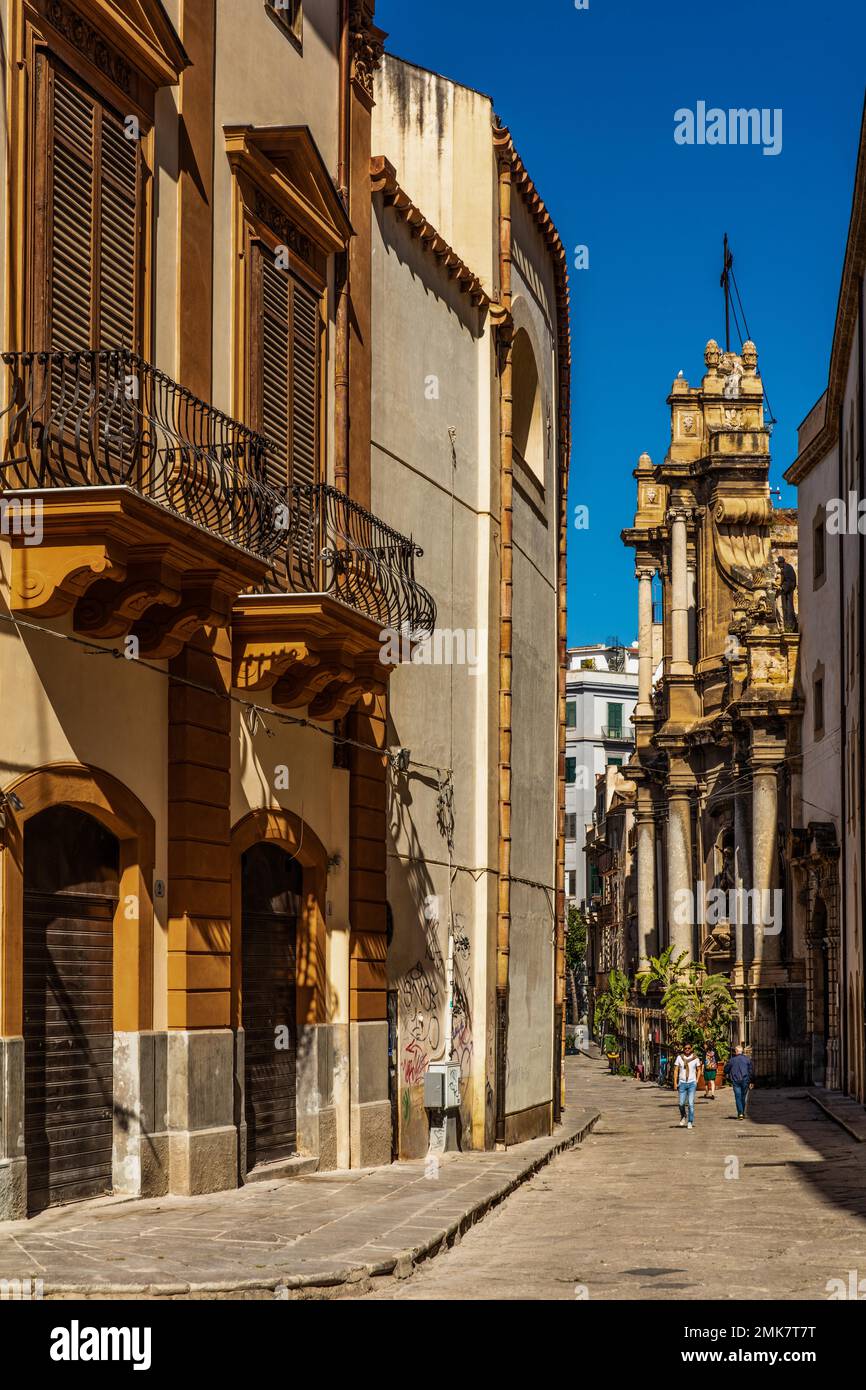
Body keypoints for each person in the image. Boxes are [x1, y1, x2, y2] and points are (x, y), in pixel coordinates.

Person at [673, 1042, 702, 1129]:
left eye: (689, 1048)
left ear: (691, 1048)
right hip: (682, 1083)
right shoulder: (679, 1058)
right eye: (685, 1048)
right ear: (683, 1049)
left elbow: (699, 1069)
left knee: (690, 1104)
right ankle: (683, 1116)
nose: (687, 1050)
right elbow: (676, 1070)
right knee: (681, 1104)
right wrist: (675, 1082)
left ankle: (690, 1121)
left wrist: (696, 1080)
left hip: (692, 1083)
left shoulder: (695, 1058)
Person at [724, 1043, 755, 1118]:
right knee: (743, 1097)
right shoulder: (747, 1060)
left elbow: (726, 1070)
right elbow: (751, 1071)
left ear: (736, 1051)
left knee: (738, 1097)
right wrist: (752, 1081)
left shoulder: (732, 1060)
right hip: (745, 1080)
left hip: (736, 1080)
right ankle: (742, 1112)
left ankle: (740, 1113)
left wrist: (728, 1072)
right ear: (742, 1051)